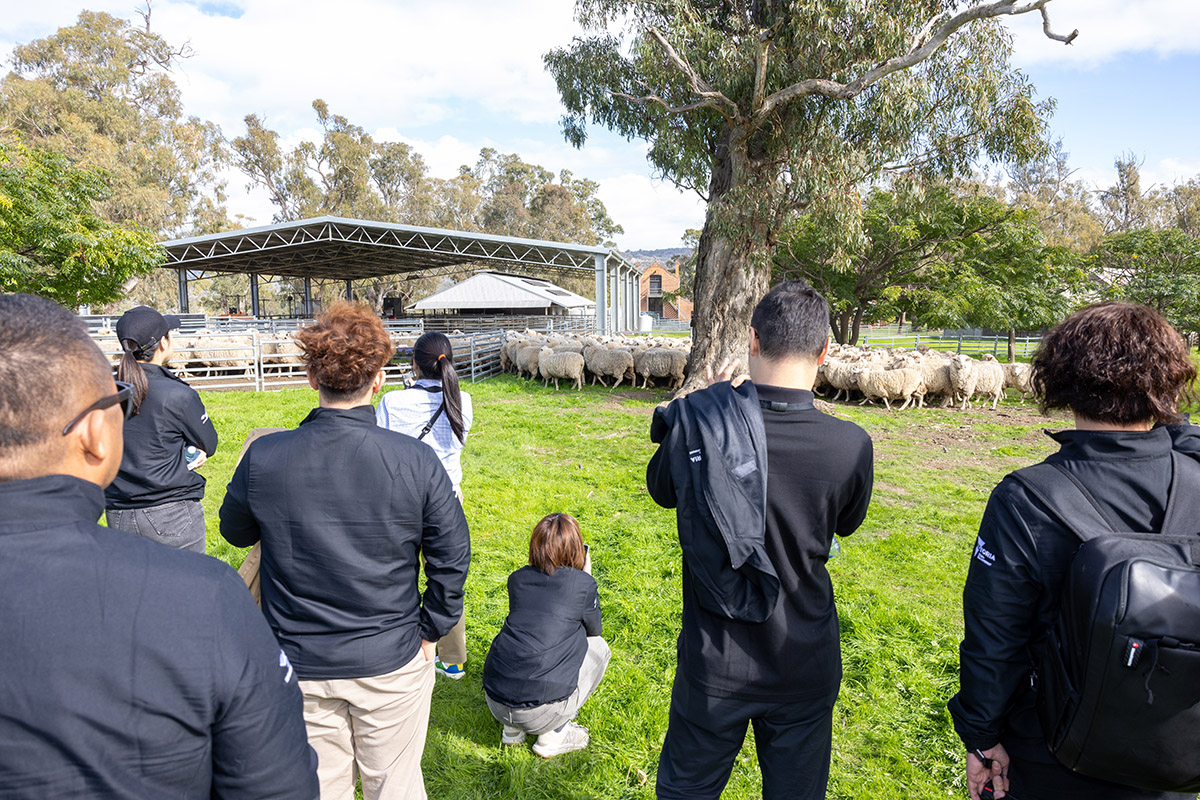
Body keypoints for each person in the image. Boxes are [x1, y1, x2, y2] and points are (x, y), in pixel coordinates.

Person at [0, 293, 317, 799]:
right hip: (172, 517)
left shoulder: (125, 384)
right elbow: (277, 782)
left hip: (118, 512)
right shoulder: (205, 598)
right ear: (97, 436)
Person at [949, 302, 1200, 800]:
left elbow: (995, 636)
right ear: (1167, 383)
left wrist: (982, 737)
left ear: (1063, 379)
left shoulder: (1028, 498)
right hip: (1175, 751)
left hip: (1053, 754)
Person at [219, 301, 470, 800]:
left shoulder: (266, 456)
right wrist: (433, 629)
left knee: (319, 787)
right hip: (390, 658)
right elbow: (451, 553)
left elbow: (236, 531)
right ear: (379, 379)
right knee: (394, 787)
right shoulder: (415, 462)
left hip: (300, 658)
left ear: (312, 376)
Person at [647, 281, 874, 799]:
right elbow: (846, 524)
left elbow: (662, 490)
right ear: (823, 351)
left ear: (751, 340)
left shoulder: (701, 421)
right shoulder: (850, 445)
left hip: (715, 658)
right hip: (803, 656)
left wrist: (706, 410)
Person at [376, 331, 474, 680]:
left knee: (399, 571)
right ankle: (452, 658)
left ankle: (400, 645)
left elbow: (381, 447)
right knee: (446, 576)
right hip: (447, 499)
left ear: (414, 364)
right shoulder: (464, 400)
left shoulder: (392, 402)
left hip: (401, 499)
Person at [482, 512, 609, 758]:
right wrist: (587, 578)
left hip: (495, 701)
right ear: (577, 550)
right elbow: (594, 630)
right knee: (599, 647)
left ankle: (512, 730)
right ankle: (555, 735)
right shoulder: (582, 584)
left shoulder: (517, 579)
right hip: (542, 712)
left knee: (529, 641)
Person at [104, 305, 218, 553]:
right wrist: (190, 451)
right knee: (186, 588)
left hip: (117, 513)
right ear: (164, 343)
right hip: (171, 513)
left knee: (133, 591)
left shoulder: (104, 392)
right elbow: (209, 443)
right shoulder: (178, 394)